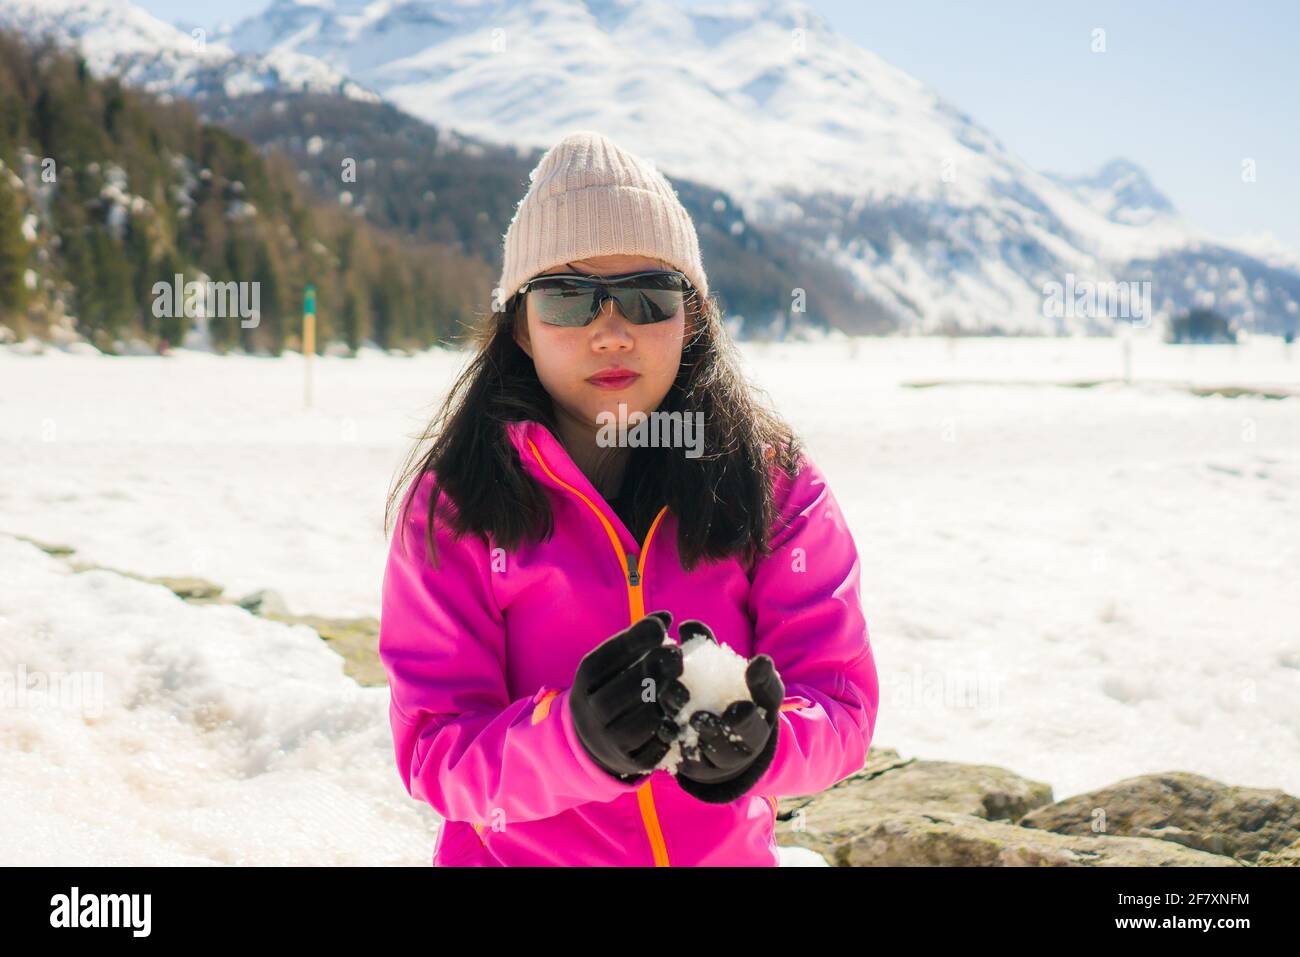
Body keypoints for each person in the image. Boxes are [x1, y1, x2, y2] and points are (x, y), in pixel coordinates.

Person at [378, 130, 879, 866]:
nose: (611, 333)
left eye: (648, 296)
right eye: (567, 297)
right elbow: (434, 748)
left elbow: (840, 703)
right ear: (520, 324)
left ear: (692, 316)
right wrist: (573, 741)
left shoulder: (773, 485)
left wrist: (766, 743)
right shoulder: (457, 505)